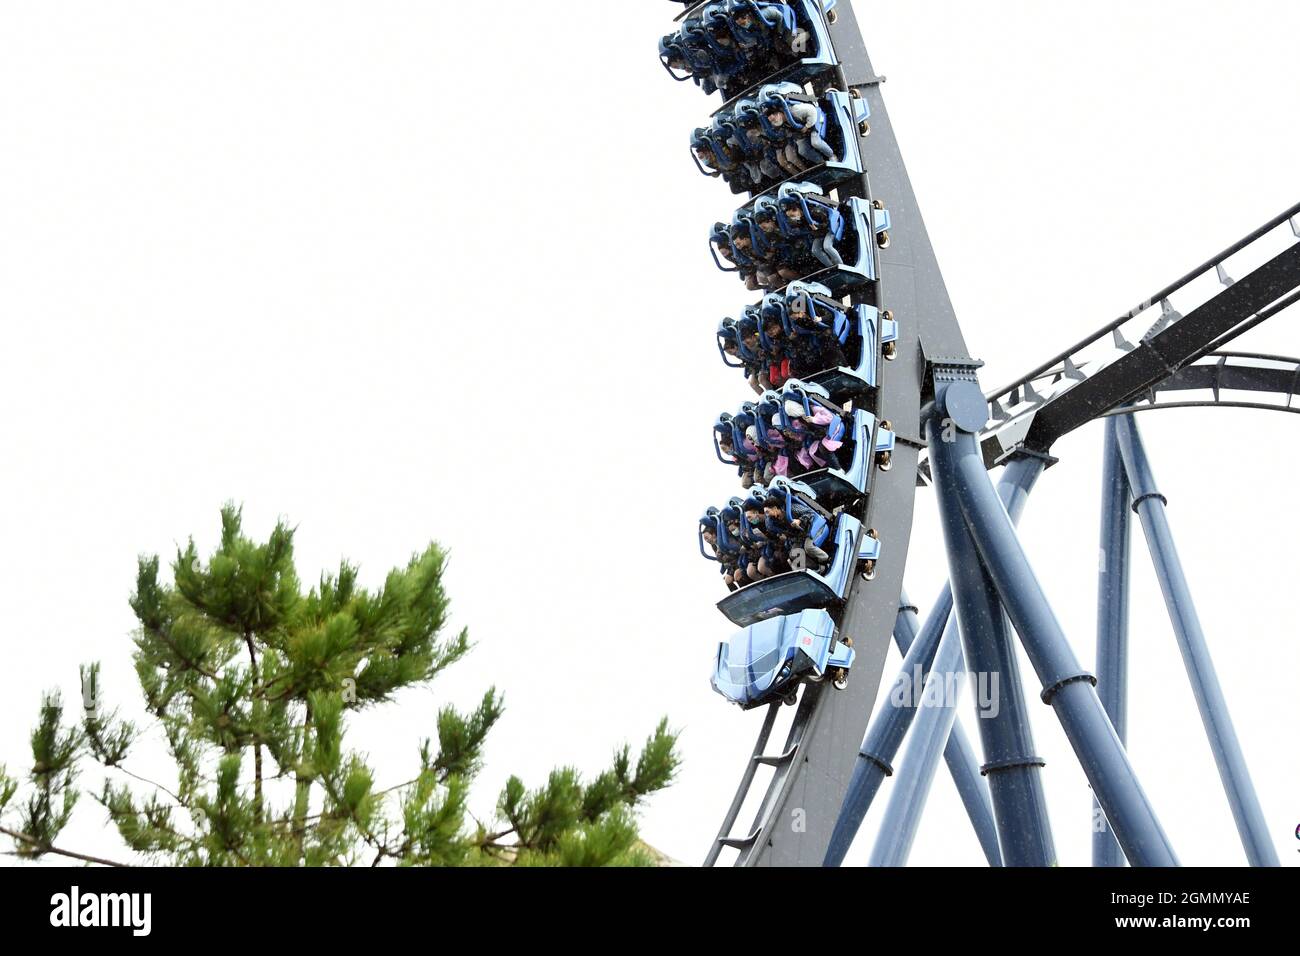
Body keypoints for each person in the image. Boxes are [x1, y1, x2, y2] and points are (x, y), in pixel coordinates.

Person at [763, 492, 831, 572]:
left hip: (813, 528)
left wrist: (799, 520)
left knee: (808, 547)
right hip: (802, 535)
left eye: (767, 512)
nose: (767, 515)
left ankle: (827, 560)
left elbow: (810, 513)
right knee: (794, 553)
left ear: (774, 508)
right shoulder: (774, 521)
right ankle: (815, 568)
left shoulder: (792, 508)